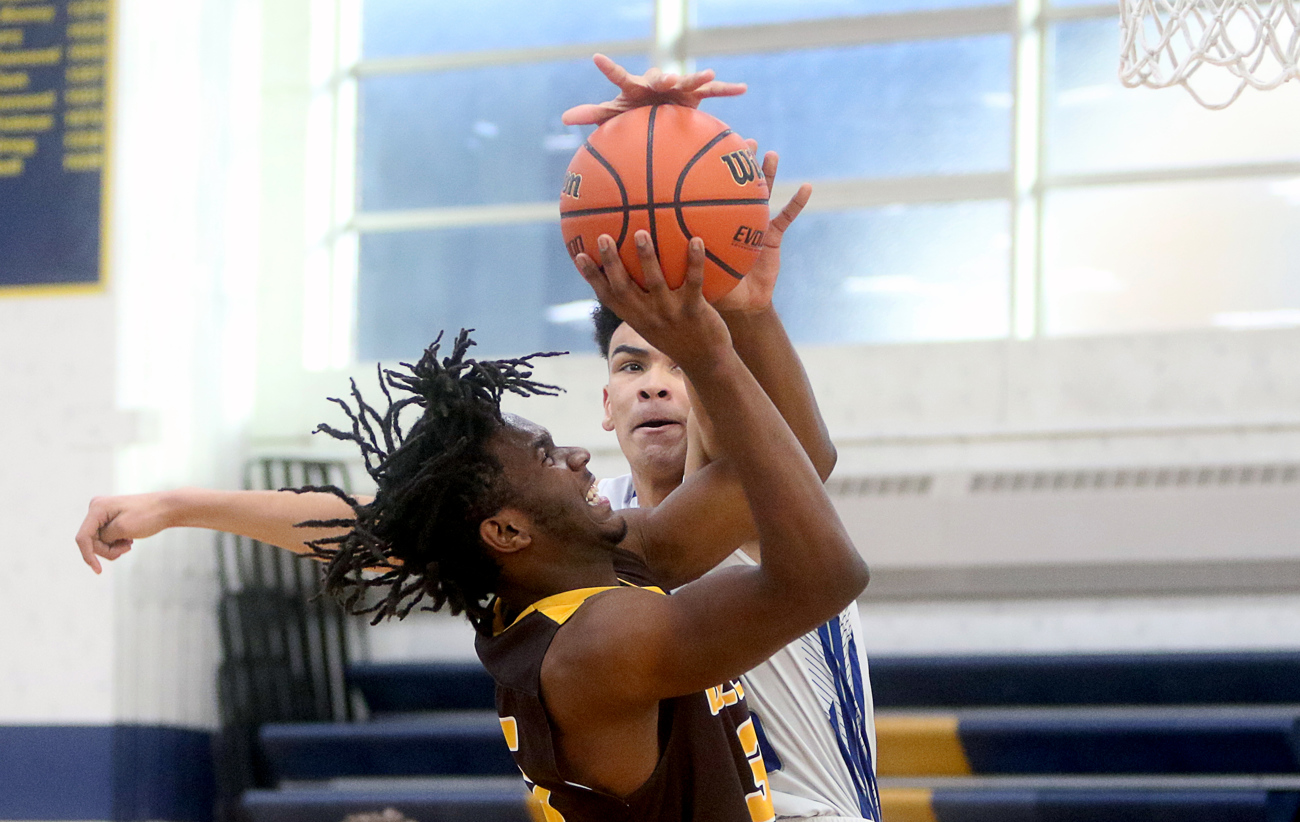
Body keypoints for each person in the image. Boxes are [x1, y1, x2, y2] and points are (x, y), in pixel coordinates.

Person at [78, 236, 869, 822]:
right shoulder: (601, 639)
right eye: (543, 454)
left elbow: (373, 532)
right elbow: (826, 576)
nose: (570, 452)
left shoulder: (577, 566)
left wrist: (747, 315)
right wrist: (714, 358)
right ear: (507, 529)